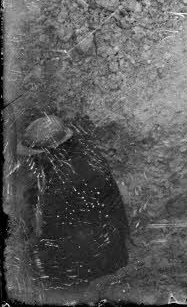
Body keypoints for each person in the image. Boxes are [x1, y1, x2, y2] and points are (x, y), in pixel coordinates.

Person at [16, 116, 129, 289]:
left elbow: (49, 233)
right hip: (112, 248)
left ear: (51, 152)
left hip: (97, 262)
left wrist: (30, 248)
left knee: (38, 262)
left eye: (36, 157)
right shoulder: (83, 153)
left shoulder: (65, 184)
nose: (32, 161)